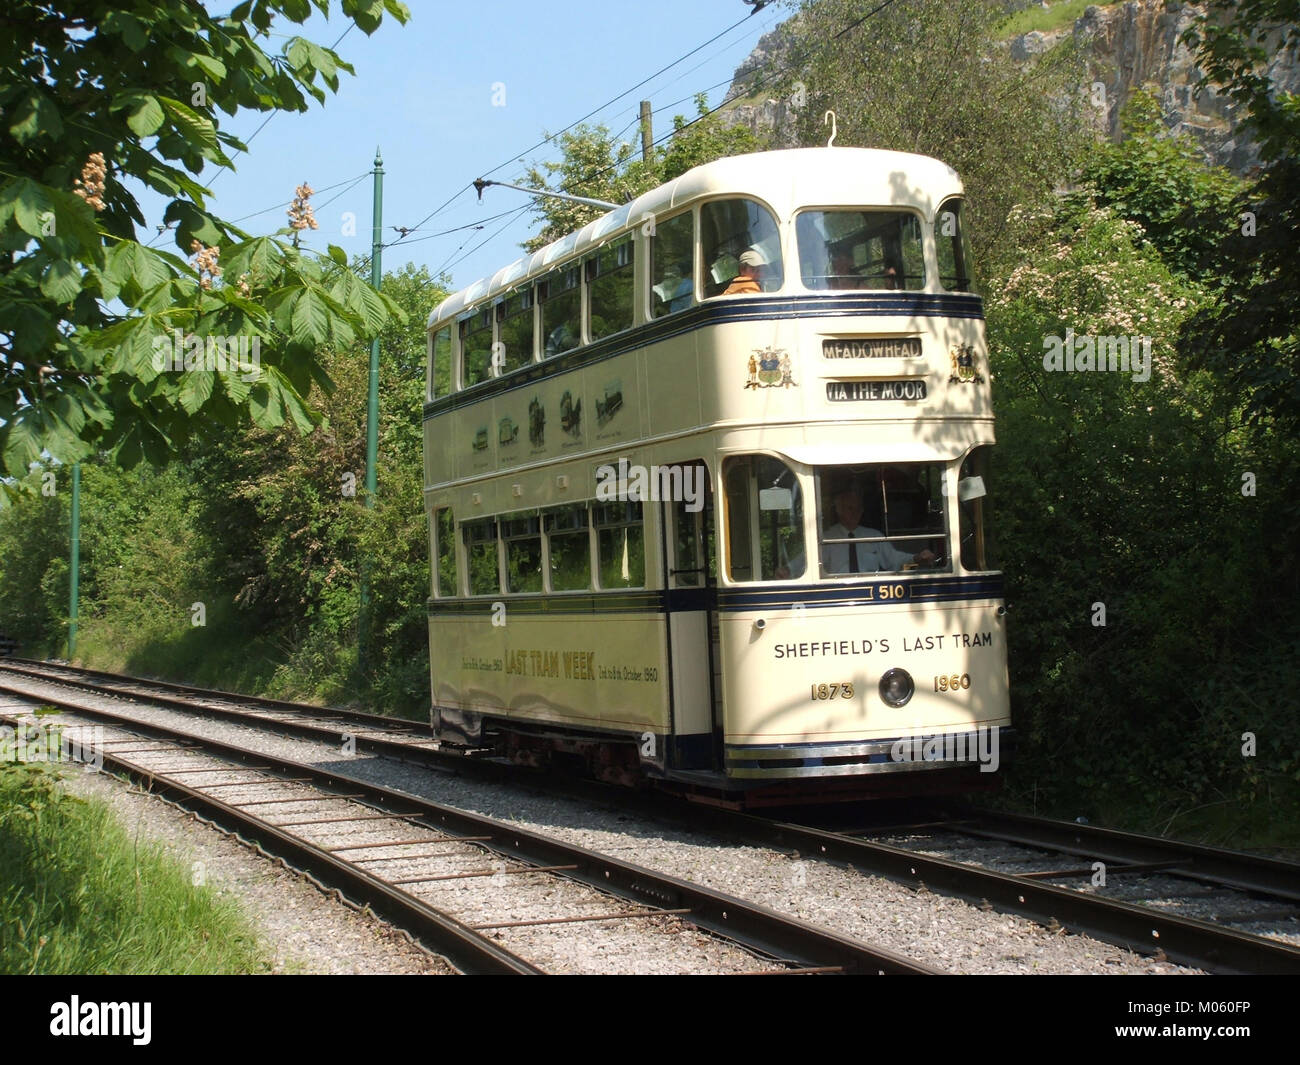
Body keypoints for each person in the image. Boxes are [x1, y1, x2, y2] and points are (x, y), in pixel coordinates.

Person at [821, 484, 935, 574]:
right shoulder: (826, 539)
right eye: (850, 508)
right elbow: (807, 565)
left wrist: (917, 558)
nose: (855, 512)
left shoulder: (874, 536)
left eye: (859, 508)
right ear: (839, 510)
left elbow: (894, 560)